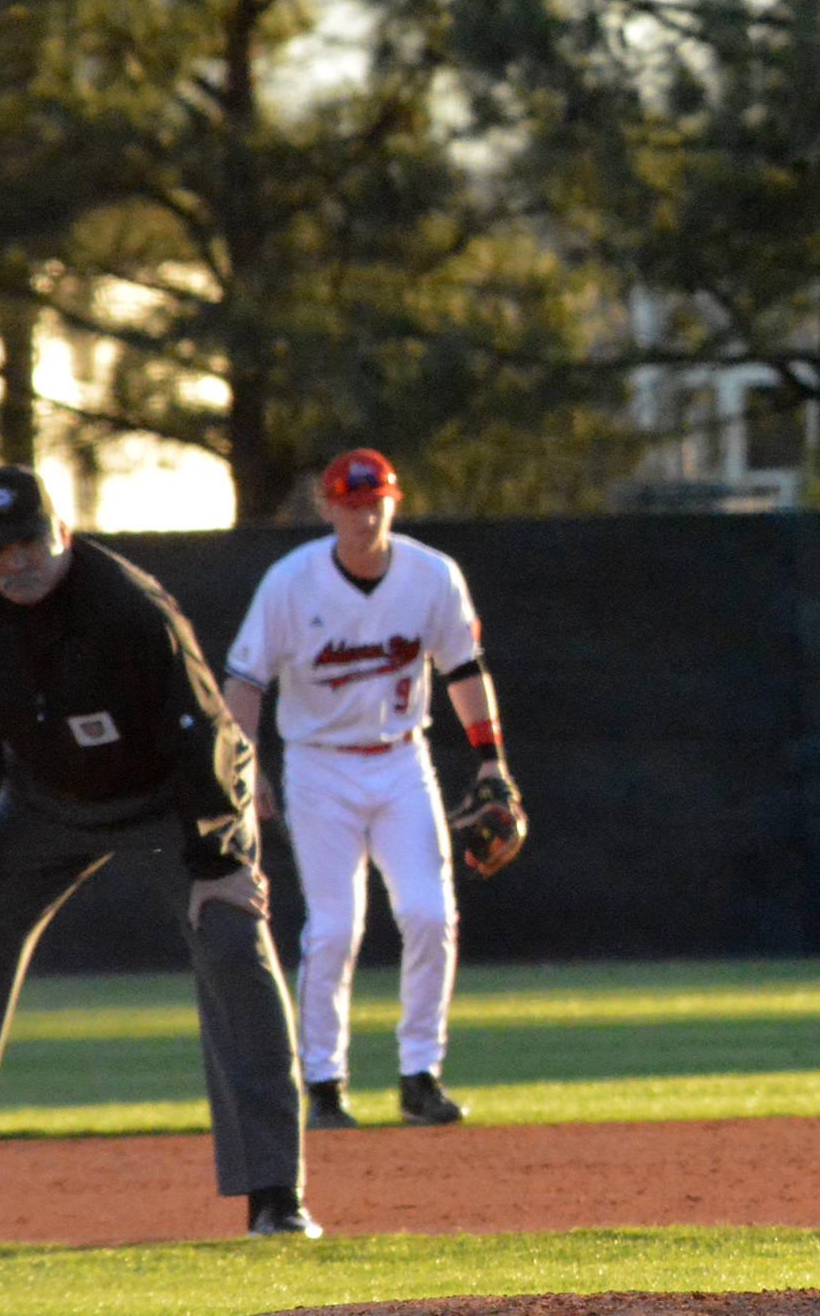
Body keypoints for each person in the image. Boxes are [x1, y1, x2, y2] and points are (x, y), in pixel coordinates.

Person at [0, 467, 316, 1243]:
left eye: (29, 540)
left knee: (233, 941)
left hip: (172, 796)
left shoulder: (128, 607)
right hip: (46, 804)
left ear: (61, 531)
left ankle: (274, 1196)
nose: (15, 561)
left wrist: (219, 859)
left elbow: (202, 730)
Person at [222, 449, 516, 1131]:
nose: (364, 513)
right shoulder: (290, 583)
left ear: (395, 500)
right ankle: (323, 1084)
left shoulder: (432, 575)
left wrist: (490, 762)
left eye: (374, 499)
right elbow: (243, 680)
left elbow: (465, 668)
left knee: (429, 913)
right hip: (318, 766)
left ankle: (420, 1074)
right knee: (332, 928)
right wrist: (247, 765)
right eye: (350, 503)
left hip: (401, 757)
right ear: (327, 509)